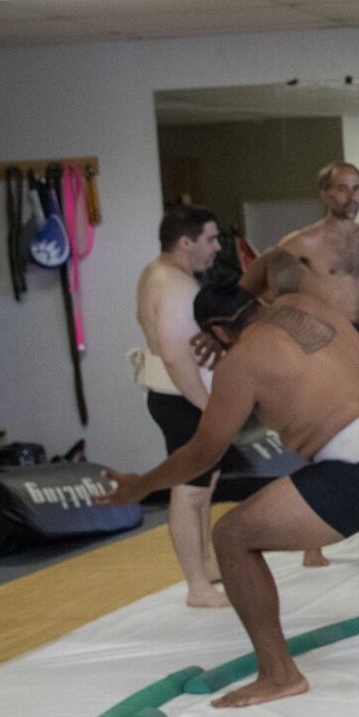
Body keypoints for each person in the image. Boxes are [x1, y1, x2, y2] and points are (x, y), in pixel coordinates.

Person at [101, 251, 359, 709]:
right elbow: (277, 258)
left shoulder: (238, 363)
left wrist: (140, 485)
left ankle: (279, 674)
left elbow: (203, 453)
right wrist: (235, 305)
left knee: (231, 534)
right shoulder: (308, 302)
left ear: (218, 333)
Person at [243, 160, 359, 565]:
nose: (350, 197)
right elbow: (255, 286)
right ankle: (310, 540)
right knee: (325, 435)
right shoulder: (299, 244)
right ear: (324, 194)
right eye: (341, 189)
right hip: (327, 342)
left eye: (356, 188)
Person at [134, 204, 227, 608]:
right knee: (189, 492)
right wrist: (208, 407)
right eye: (210, 239)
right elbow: (174, 355)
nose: (217, 247)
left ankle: (203, 566)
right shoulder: (171, 283)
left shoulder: (162, 274)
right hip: (182, 398)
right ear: (185, 242)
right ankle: (197, 586)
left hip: (183, 396)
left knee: (203, 487)